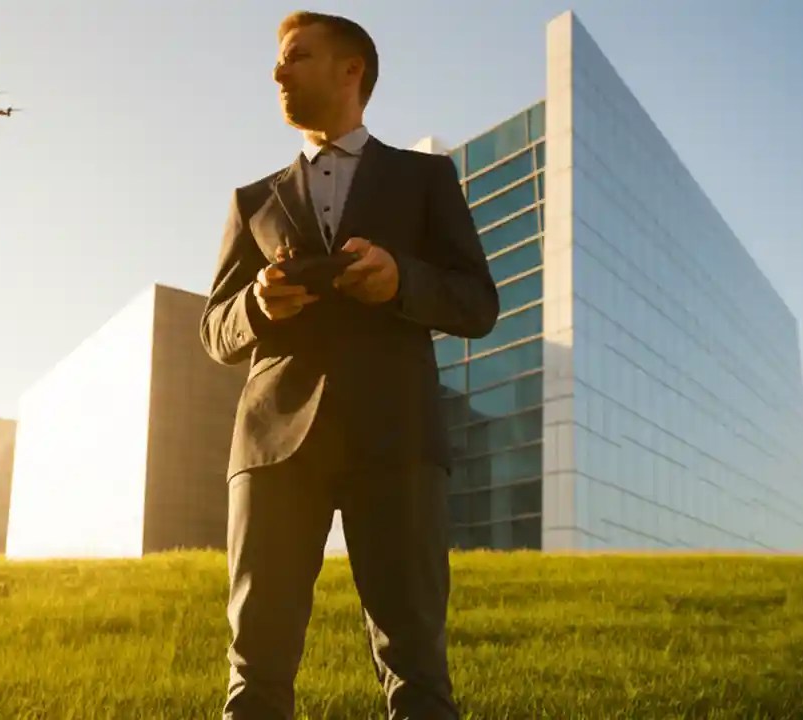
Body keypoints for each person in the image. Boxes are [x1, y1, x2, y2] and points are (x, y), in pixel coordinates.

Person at [198, 10, 500, 720]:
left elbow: (478, 304)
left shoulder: (427, 179)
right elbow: (215, 331)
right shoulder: (251, 202)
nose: (277, 72)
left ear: (351, 70)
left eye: (295, 56)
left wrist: (403, 282)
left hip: (397, 442)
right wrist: (259, 305)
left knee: (417, 665)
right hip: (273, 449)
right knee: (256, 665)